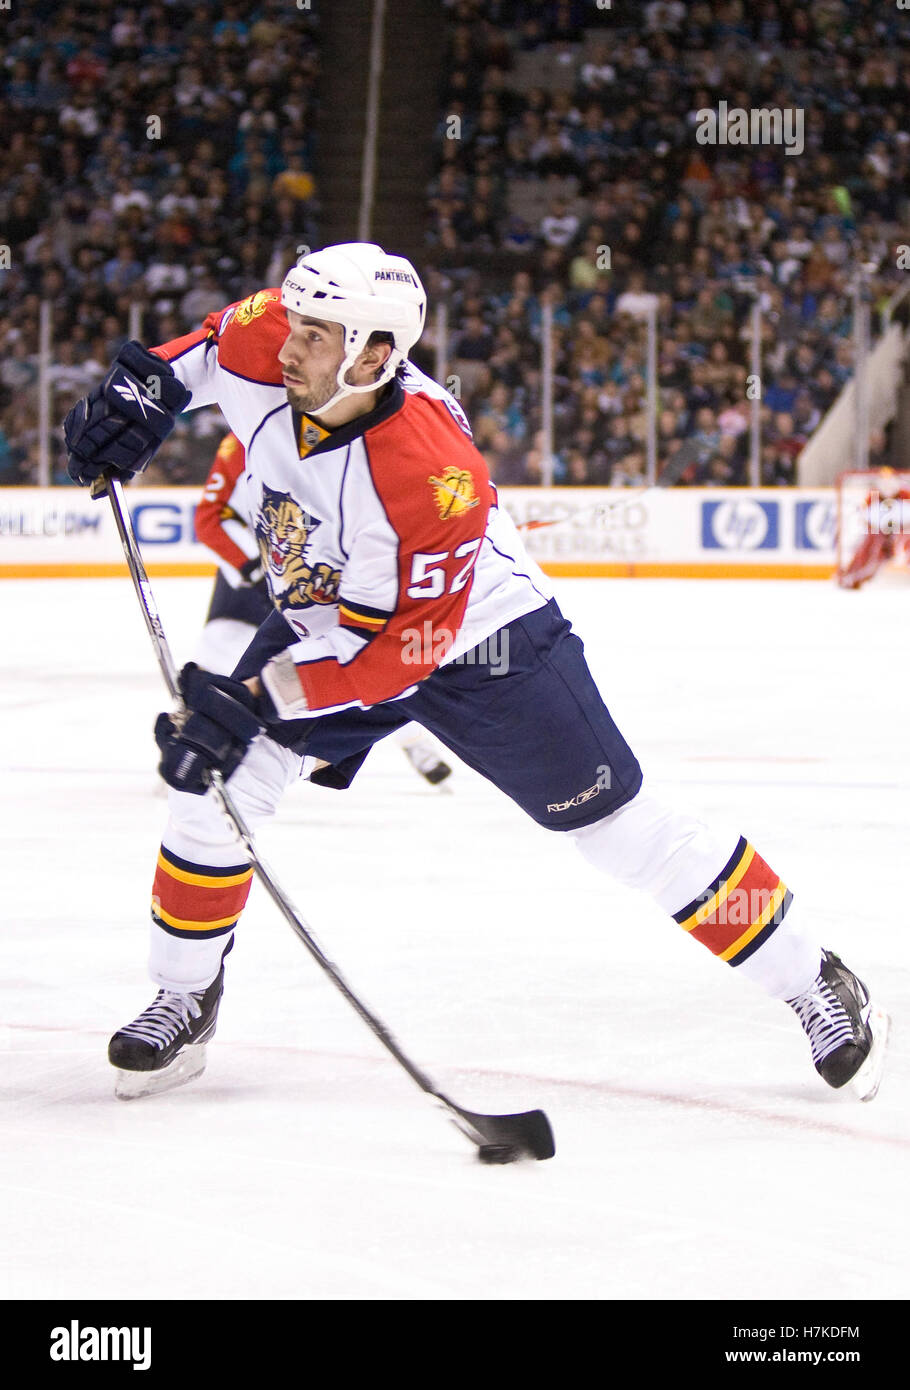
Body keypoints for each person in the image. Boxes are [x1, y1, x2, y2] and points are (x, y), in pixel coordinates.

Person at [63, 243, 888, 1106]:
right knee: (217, 784)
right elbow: (190, 356)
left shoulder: (431, 473)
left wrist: (260, 696)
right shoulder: (275, 329)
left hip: (481, 643)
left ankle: (811, 978)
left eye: (314, 337)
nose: (287, 347)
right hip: (328, 613)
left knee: (621, 830)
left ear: (374, 354)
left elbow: (400, 657)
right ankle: (185, 994)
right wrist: (136, 398)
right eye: (296, 327)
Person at [193, 429, 453, 786]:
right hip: (251, 586)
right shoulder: (244, 437)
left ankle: (412, 745)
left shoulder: (353, 434)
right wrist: (257, 571)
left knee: (353, 667)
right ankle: (196, 749)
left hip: (318, 584)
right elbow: (210, 520)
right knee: (220, 664)